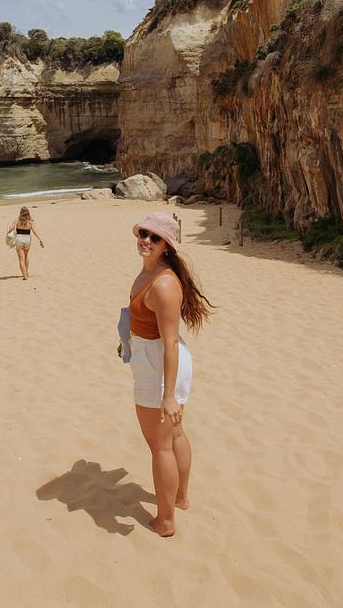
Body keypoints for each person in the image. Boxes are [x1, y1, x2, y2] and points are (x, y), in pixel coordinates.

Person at [127, 211, 213, 537]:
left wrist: (168, 395)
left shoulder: (163, 284)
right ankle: (180, 498)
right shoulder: (150, 271)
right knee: (174, 435)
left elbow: (170, 343)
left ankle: (165, 521)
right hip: (152, 356)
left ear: (166, 246)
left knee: (160, 445)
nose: (146, 241)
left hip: (160, 364)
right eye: (144, 233)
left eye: (155, 238)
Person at [9, 206, 43, 280]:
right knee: (26, 256)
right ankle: (26, 272)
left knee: (21, 259)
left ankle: (25, 276)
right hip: (27, 239)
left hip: (19, 239)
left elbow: (11, 228)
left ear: (20, 212)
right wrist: (40, 239)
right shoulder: (30, 221)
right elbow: (34, 231)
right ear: (28, 213)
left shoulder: (17, 220)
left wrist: (10, 229)